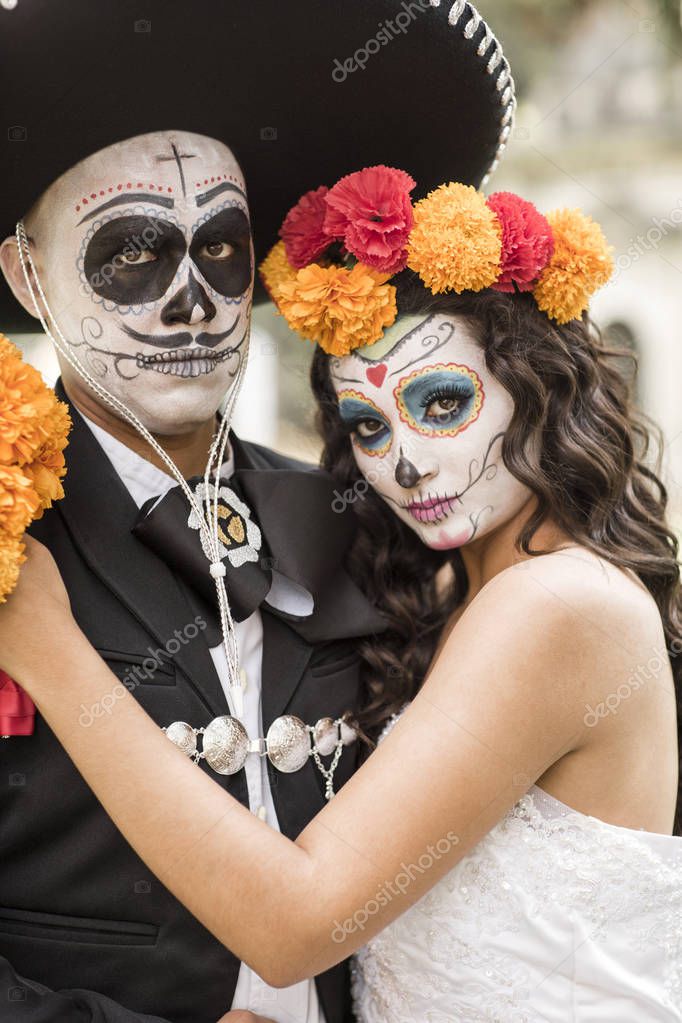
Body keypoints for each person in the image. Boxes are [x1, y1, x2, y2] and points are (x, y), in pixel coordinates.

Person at [2, 159, 681, 1023]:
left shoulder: (552, 606)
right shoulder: (419, 575)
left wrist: (48, 653)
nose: (404, 461)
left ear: (537, 383)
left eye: (442, 402)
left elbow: (299, 921)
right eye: (368, 425)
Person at [0, 4, 517, 1022]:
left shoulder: (364, 511)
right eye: (135, 253)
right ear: (27, 275)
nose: (193, 301)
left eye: (222, 250)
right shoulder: (10, 542)